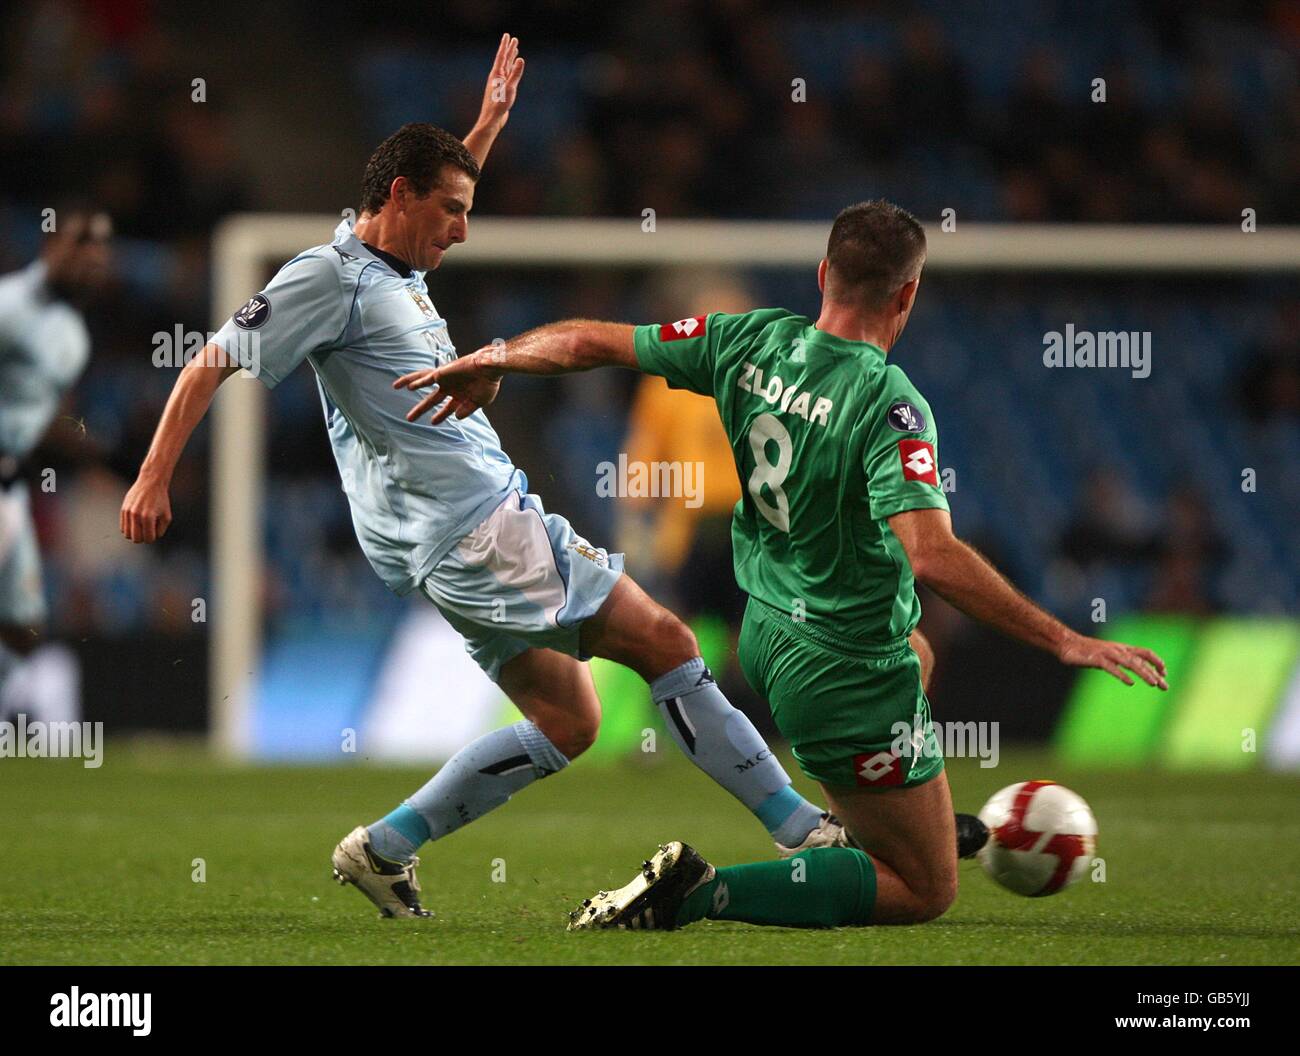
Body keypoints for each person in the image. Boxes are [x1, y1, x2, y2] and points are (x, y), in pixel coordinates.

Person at [120, 35, 850, 920]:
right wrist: (152, 477)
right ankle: (803, 828)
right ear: (399, 196)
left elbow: (434, 196)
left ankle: (385, 847)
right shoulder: (327, 277)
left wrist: (486, 126)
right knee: (669, 645)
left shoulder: (393, 262)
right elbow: (209, 362)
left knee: (572, 722)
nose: (463, 229)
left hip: (450, 539)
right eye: (453, 210)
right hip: (478, 526)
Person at [401, 198, 1169, 930]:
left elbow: (594, 342)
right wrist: (1065, 639)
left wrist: (495, 357)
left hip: (768, 628)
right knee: (928, 890)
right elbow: (931, 556)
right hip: (843, 664)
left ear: (822, 275)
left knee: (920, 649)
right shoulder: (889, 403)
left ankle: (866, 819)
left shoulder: (749, 338)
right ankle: (698, 893)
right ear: (908, 295)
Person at [0, 210, 111, 723]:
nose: (90, 257)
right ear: (49, 248)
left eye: (98, 248)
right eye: (78, 245)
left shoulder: (72, 335)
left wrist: (99, 452)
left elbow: (35, 416)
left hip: (12, 485)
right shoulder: (9, 307)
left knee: (23, 628)